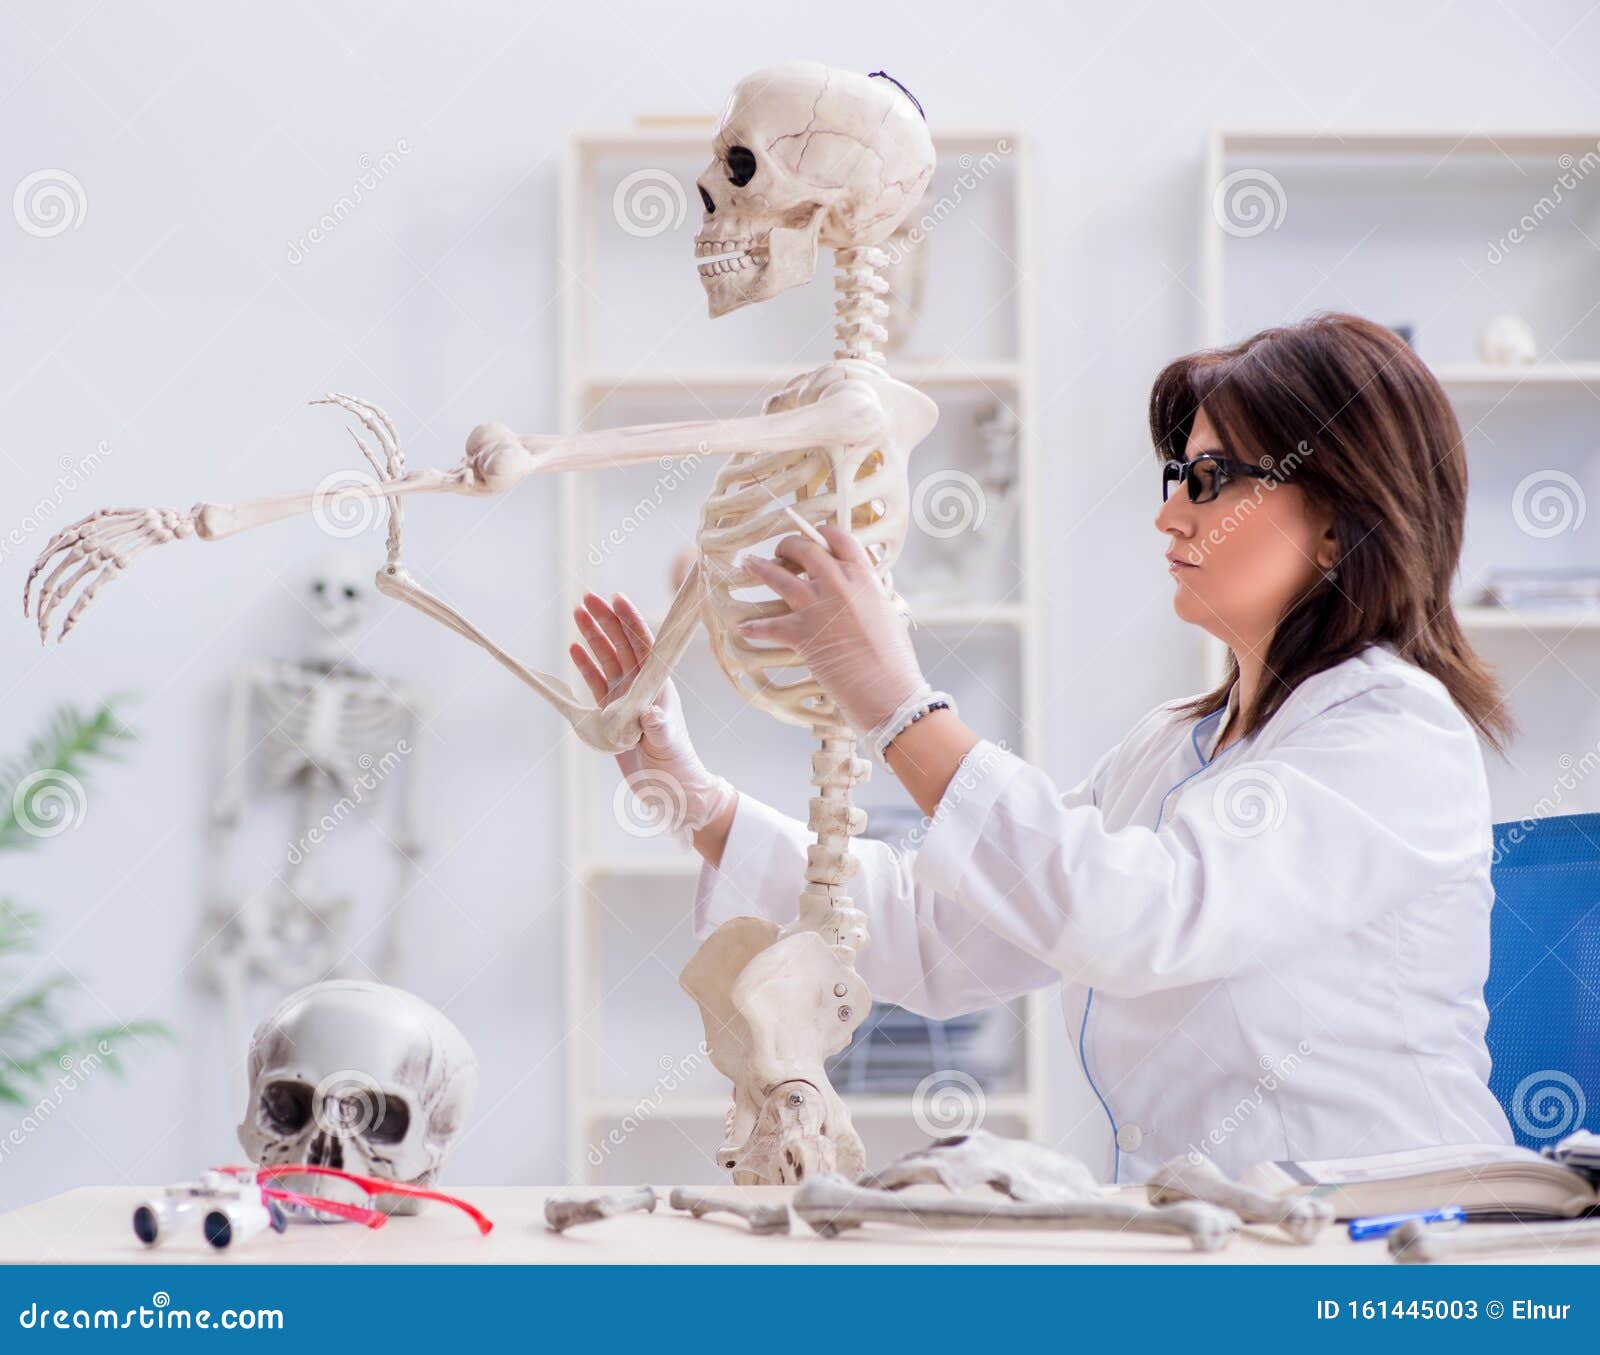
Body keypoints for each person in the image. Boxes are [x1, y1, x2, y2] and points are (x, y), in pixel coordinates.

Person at [567, 311, 1518, 1183]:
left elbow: (1140, 917)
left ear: (1336, 523)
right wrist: (693, 797)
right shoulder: (1175, 745)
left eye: (1210, 479)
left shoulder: (1397, 737)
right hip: (1220, 1249)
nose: (1170, 513)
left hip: (1382, 1256)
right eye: (1176, 475)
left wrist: (896, 703)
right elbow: (943, 936)